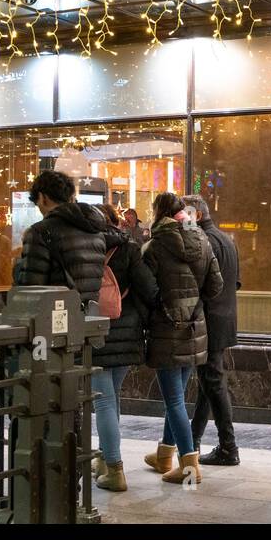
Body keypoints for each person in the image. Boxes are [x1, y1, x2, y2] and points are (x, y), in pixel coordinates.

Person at [141, 192, 223, 485]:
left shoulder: (155, 245)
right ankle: (164, 454)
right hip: (195, 327)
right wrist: (194, 303)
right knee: (176, 397)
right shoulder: (202, 240)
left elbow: (147, 292)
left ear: (158, 213)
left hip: (167, 328)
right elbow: (216, 286)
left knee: (173, 399)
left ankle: (190, 466)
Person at [89, 203, 158, 492]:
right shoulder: (130, 248)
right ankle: (105, 459)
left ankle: (115, 469)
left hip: (95, 330)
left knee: (103, 401)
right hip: (127, 332)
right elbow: (149, 289)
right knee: (111, 397)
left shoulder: (85, 249)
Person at [181, 194, 242, 467]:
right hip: (225, 319)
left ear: (198, 215)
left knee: (213, 384)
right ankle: (193, 441)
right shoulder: (227, 240)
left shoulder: (203, 241)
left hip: (209, 320)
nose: (180, 222)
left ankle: (229, 447)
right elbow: (236, 283)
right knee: (208, 383)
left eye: (183, 216)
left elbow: (199, 286)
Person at [13, 171, 108, 312]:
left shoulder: (40, 232)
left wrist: (18, 268)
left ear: (42, 197)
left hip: (53, 320)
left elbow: (31, 289)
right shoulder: (95, 231)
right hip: (88, 318)